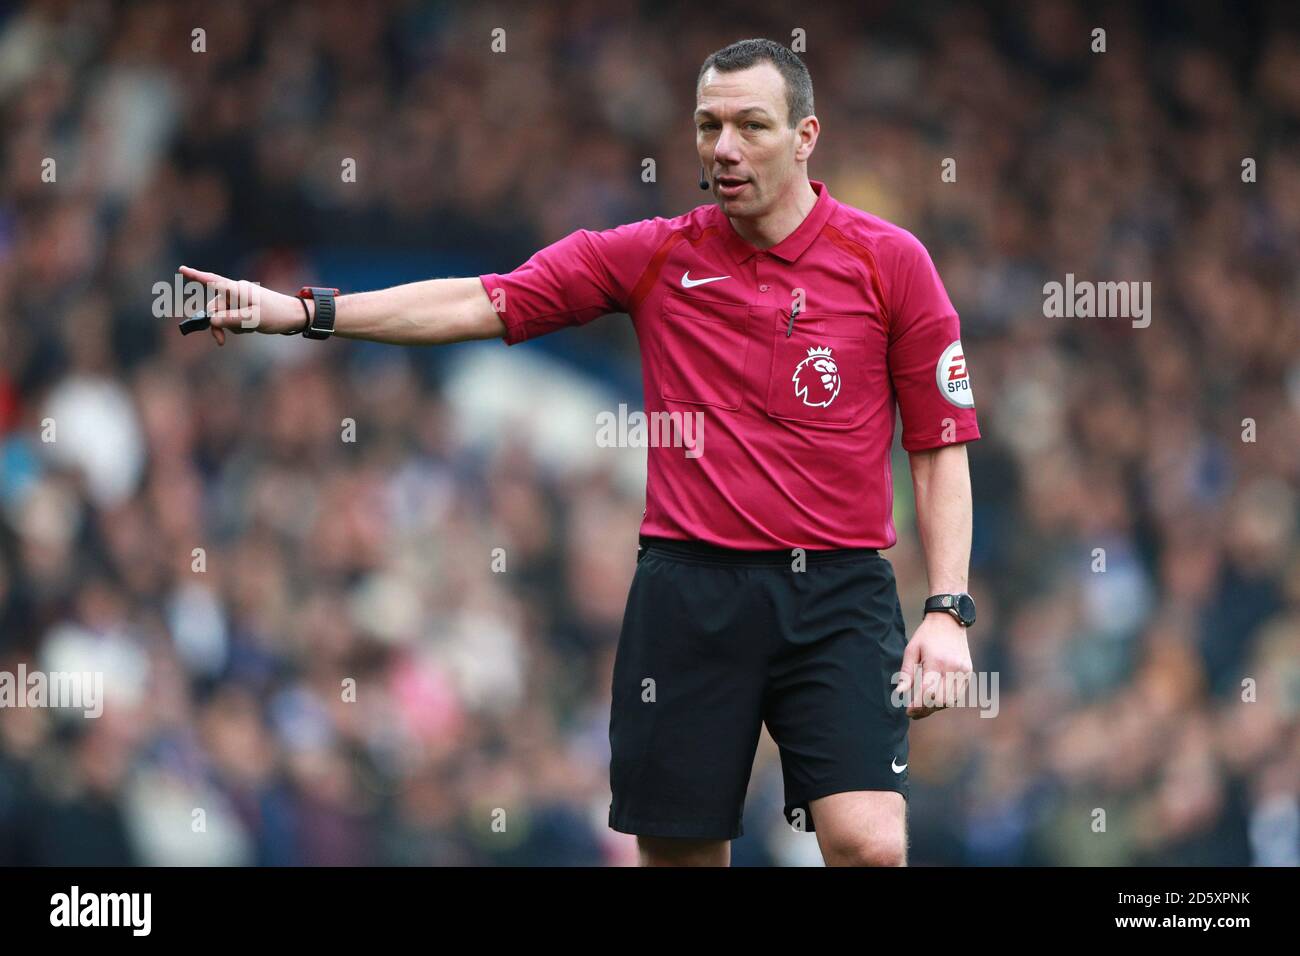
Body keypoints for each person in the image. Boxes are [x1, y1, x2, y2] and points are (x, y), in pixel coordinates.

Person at [179, 37, 980, 867]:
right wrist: (305, 312)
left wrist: (947, 608)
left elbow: (939, 442)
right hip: (689, 592)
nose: (725, 148)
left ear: (806, 135)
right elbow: (481, 302)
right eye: (709, 126)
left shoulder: (890, 263)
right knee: (679, 855)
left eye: (752, 125)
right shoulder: (656, 256)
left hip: (838, 593)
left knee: (871, 844)